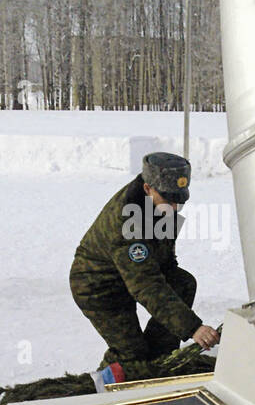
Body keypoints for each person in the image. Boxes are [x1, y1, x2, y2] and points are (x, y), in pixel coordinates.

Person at [70, 151, 220, 384]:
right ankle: (96, 389)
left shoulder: (163, 204)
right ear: (148, 188)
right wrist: (193, 328)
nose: (174, 206)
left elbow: (165, 261)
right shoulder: (128, 222)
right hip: (100, 287)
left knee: (182, 283)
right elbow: (146, 284)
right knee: (133, 356)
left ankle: (159, 361)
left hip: (130, 275)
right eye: (168, 198)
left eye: (179, 199)